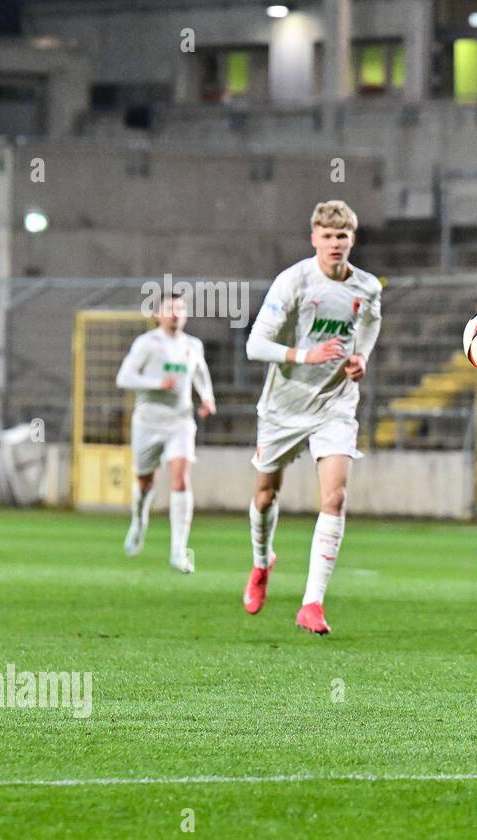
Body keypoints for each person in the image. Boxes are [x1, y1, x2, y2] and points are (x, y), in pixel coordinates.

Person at [242, 201, 383, 635]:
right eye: (327, 236)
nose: (335, 244)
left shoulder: (367, 286)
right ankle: (262, 562)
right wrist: (306, 355)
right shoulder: (293, 282)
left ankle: (312, 603)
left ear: (351, 240)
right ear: (314, 239)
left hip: (335, 402)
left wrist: (360, 356)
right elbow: (255, 346)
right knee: (266, 495)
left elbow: (371, 325)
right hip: (284, 404)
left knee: (335, 498)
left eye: (342, 237)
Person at [116, 292, 215, 573]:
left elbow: (200, 373)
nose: (175, 313)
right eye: (170, 308)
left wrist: (207, 398)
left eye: (180, 308)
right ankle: (139, 521)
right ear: (158, 315)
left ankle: (178, 551)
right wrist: (157, 382)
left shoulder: (192, 345)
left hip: (180, 421)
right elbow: (124, 378)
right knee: (145, 481)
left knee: (181, 479)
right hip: (148, 422)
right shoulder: (147, 344)